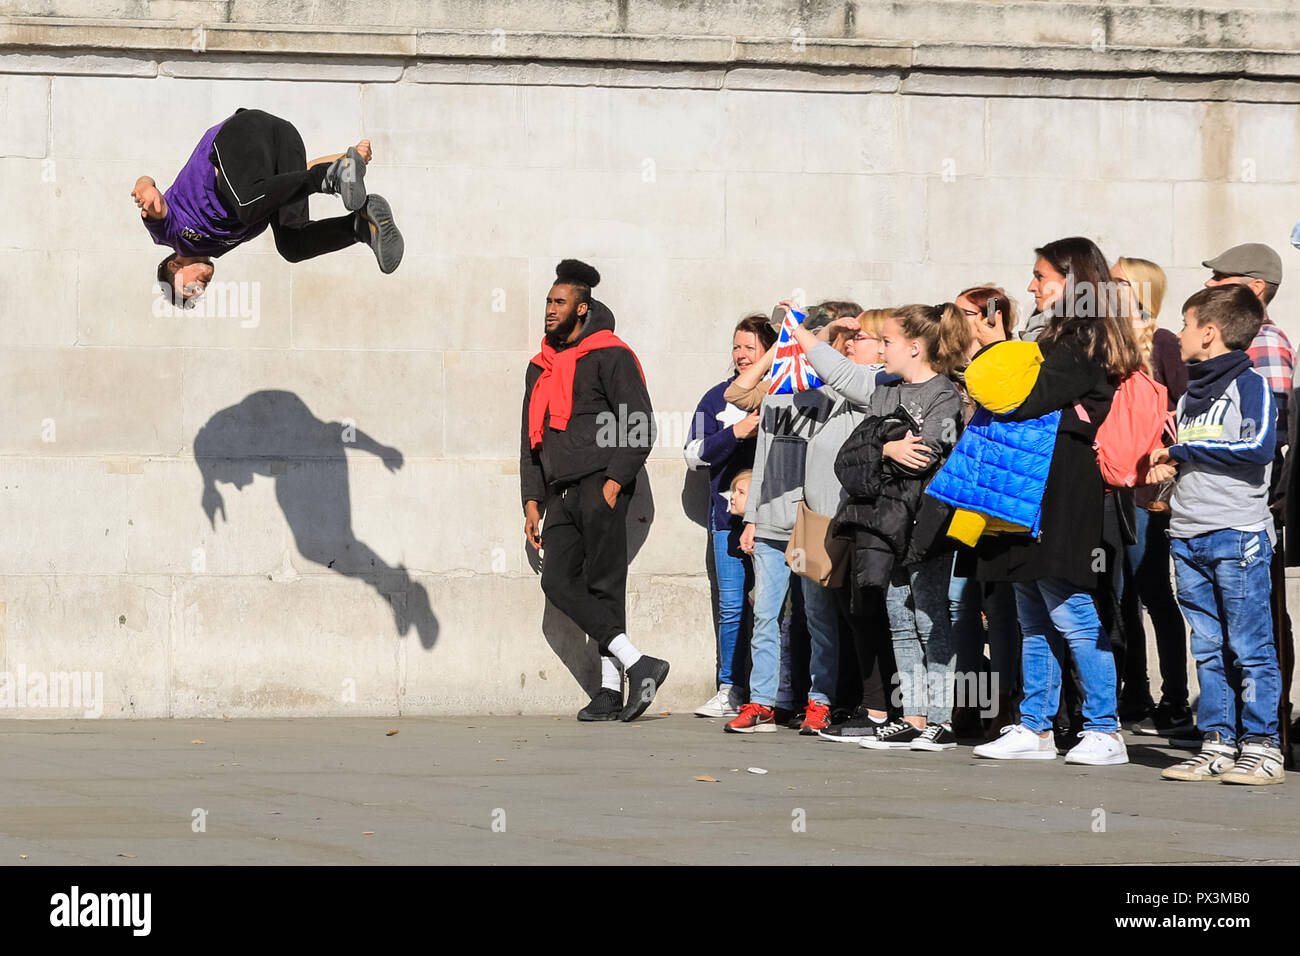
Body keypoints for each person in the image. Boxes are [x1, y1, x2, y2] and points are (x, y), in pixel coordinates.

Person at [969, 237, 1142, 765]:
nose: (1031, 286)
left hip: (1063, 486)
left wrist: (1001, 367)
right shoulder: (1057, 336)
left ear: (1073, 282)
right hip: (1031, 483)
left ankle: (1105, 729)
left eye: (1041, 276)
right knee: (1031, 609)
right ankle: (1036, 726)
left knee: (1072, 609)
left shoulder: (1085, 339)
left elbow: (1020, 399)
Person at [520, 259, 669, 722]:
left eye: (559, 302)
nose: (549, 309)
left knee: (605, 586)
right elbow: (529, 435)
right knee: (557, 582)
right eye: (547, 301)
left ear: (581, 308)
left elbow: (640, 424)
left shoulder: (610, 354)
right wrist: (531, 499)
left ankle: (608, 692)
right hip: (560, 493)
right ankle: (637, 662)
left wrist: (613, 481)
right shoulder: (540, 367)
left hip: (600, 485)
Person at [1155, 285, 1284, 784]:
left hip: (1237, 536)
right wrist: (1164, 469)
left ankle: (1262, 746)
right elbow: (1194, 456)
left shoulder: (1250, 385)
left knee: (1250, 646)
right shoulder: (1190, 395)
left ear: (1209, 333)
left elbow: (1256, 447)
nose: (1180, 334)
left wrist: (1184, 453)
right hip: (1187, 536)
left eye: (1186, 325)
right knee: (1207, 648)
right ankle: (1217, 741)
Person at [830, 305, 967, 751]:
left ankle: (942, 720)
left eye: (887, 342)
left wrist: (884, 448)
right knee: (899, 620)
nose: (881, 350)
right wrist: (886, 447)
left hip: (927, 519)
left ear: (915, 346)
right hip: (885, 521)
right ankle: (913, 714)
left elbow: (926, 453)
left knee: (930, 619)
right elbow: (861, 447)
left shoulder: (943, 394)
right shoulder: (885, 392)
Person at [721, 302, 847, 733]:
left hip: (809, 521)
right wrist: (777, 352)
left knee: (817, 618)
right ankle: (761, 702)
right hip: (770, 519)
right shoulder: (775, 391)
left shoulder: (832, 395)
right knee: (765, 616)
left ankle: (820, 701)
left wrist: (824, 339)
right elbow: (735, 394)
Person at [132, 108, 403, 306]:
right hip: (286, 143)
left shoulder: (172, 236)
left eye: (188, 290)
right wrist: (347, 157)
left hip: (241, 134)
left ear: (175, 267)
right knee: (291, 243)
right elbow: (294, 179)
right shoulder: (230, 238)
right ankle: (362, 226)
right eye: (197, 295)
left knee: (247, 207)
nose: (199, 290)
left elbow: (153, 203)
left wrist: (145, 186)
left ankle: (332, 177)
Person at [780, 309, 891, 737]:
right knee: (833, 619)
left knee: (863, 618)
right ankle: (848, 702)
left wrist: (799, 328)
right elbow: (782, 383)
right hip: (822, 522)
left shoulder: (876, 384)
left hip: (853, 524)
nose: (849, 343)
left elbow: (831, 365)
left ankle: (877, 708)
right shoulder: (846, 390)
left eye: (859, 337)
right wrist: (828, 334)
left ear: (883, 347)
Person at [1203, 243, 1294, 757]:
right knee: (1223, 622)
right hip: (1219, 507)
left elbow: (1273, 435)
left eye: (1222, 278)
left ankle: (1268, 730)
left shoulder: (1265, 342)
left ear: (1254, 287)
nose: (1212, 284)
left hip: (1251, 509)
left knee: (1259, 620)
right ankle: (1226, 729)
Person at [1111, 257, 1192, 737]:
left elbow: (1185, 411)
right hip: (1113, 486)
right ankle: (1134, 692)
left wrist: (1167, 464)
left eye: (1118, 282)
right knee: (1118, 595)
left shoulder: (1162, 342)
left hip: (1149, 491)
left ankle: (1176, 699)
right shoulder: (1109, 342)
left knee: (1153, 592)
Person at [684, 316, 776, 718]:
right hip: (727, 521)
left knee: (778, 607)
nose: (740, 355)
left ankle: (777, 693)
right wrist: (736, 433)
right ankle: (730, 687)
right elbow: (692, 455)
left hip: (778, 523)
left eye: (750, 348)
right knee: (733, 606)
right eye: (736, 347)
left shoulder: (784, 395)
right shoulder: (717, 398)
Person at [947, 286, 1022, 740]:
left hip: (996, 499)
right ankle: (968, 705)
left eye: (962, 313)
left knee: (1002, 608)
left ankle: (1004, 705)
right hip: (961, 501)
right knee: (962, 604)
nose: (952, 321)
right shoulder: (950, 368)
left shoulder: (1008, 361)